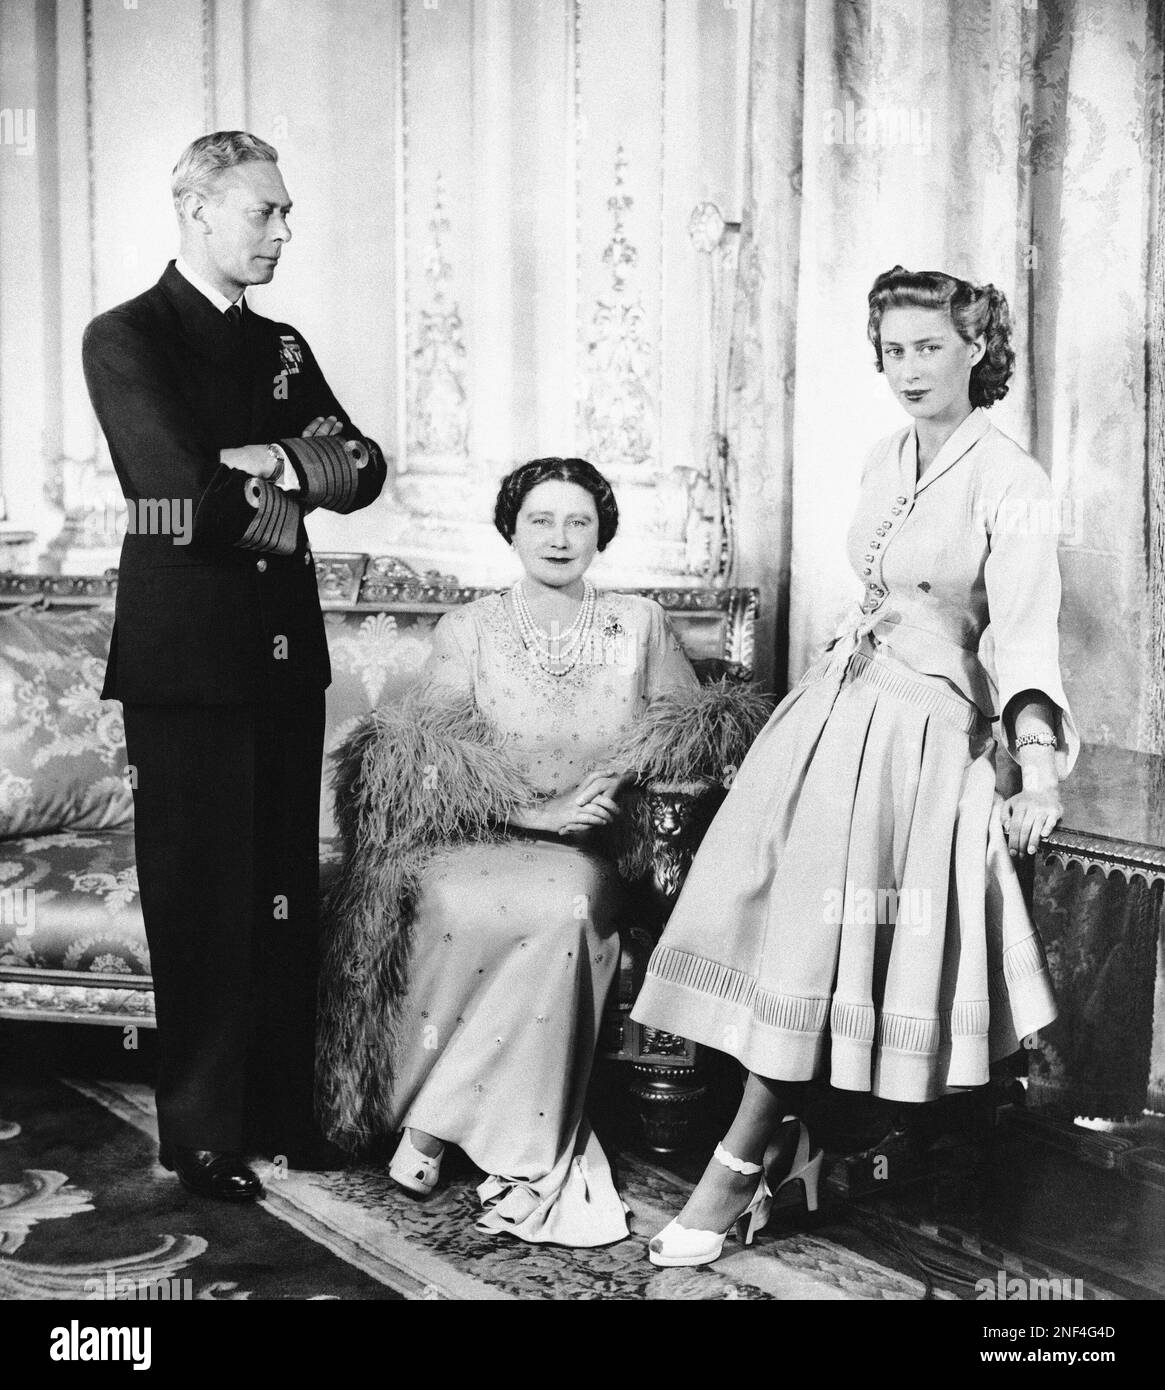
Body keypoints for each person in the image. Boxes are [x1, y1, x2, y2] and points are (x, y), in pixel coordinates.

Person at [632, 266, 1078, 1267]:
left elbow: (1029, 636)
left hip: (924, 741)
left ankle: (737, 1161)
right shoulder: (883, 456)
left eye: (928, 345)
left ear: (976, 348)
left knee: (818, 946)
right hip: (835, 716)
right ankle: (793, 1138)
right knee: (771, 926)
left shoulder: (1016, 479)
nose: (907, 367)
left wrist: (1035, 761)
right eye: (892, 349)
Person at [81, 131, 387, 1201]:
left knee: (276, 892)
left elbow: (366, 465)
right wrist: (288, 499)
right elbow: (172, 498)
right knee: (201, 894)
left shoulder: (284, 345)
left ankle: (285, 1112)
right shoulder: (124, 337)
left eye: (286, 213)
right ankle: (205, 1134)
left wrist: (273, 463)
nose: (283, 233)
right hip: (182, 660)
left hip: (277, 656)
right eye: (266, 212)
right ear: (198, 208)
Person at [317, 457, 699, 1245]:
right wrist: (531, 810)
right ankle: (436, 1112)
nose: (559, 538)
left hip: (592, 843)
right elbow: (421, 754)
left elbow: (688, 731)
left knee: (560, 909)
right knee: (457, 900)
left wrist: (617, 778)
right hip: (482, 833)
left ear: (601, 533)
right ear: (510, 528)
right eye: (540, 520)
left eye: (578, 522)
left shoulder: (639, 622)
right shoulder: (472, 628)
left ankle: (432, 1126)